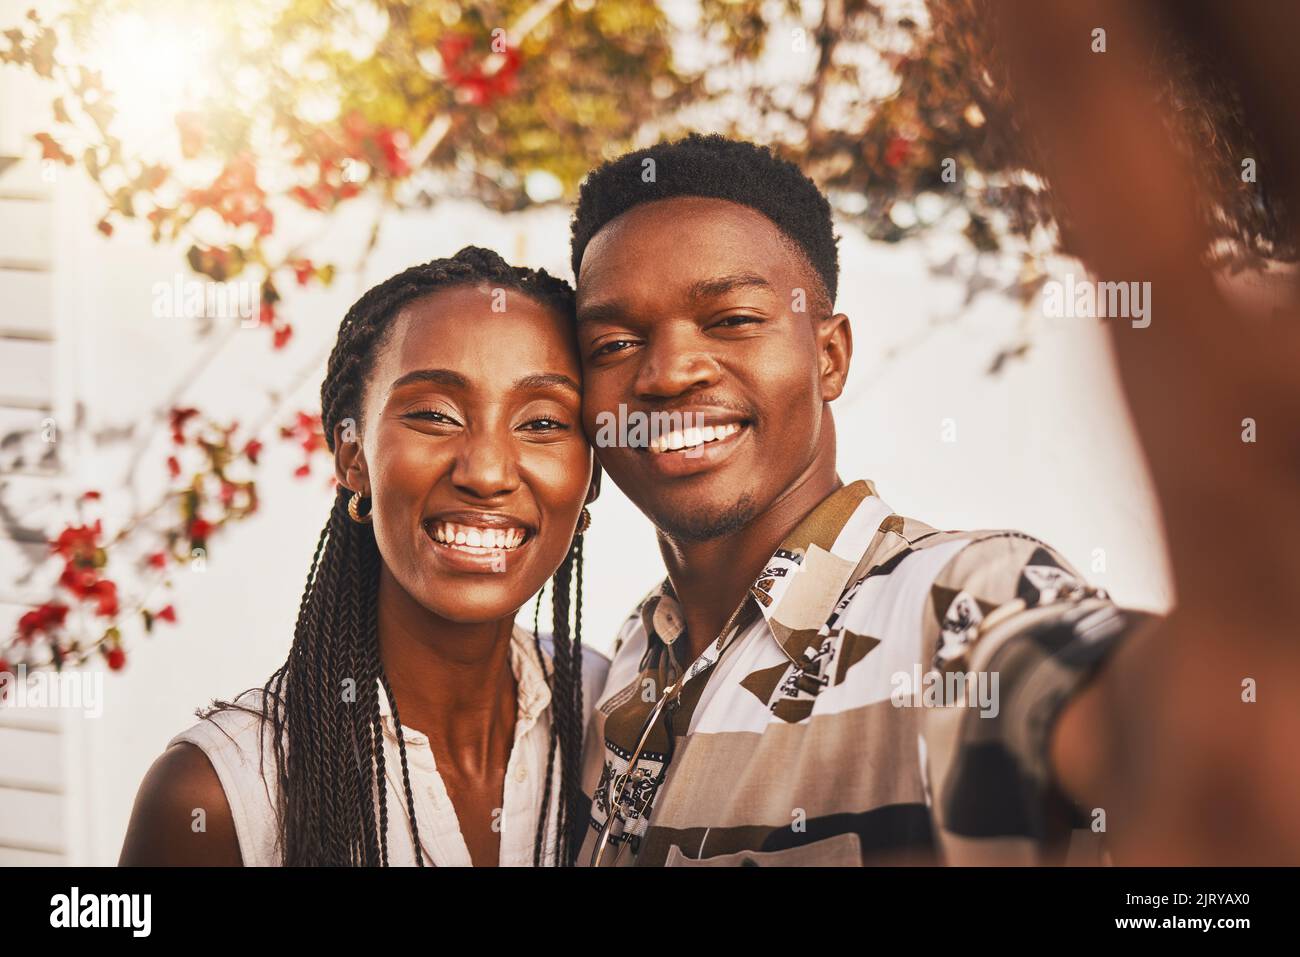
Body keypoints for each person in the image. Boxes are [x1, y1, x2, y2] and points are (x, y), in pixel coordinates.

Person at [569, 134, 1146, 866]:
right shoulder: (628, 659)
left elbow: (1161, 730)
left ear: (830, 355)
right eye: (614, 343)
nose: (669, 371)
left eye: (733, 320)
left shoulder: (959, 599)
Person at [119, 246, 606, 867]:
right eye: (435, 415)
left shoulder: (609, 711)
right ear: (354, 458)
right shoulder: (217, 799)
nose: (485, 472)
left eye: (542, 423)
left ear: (590, 477)